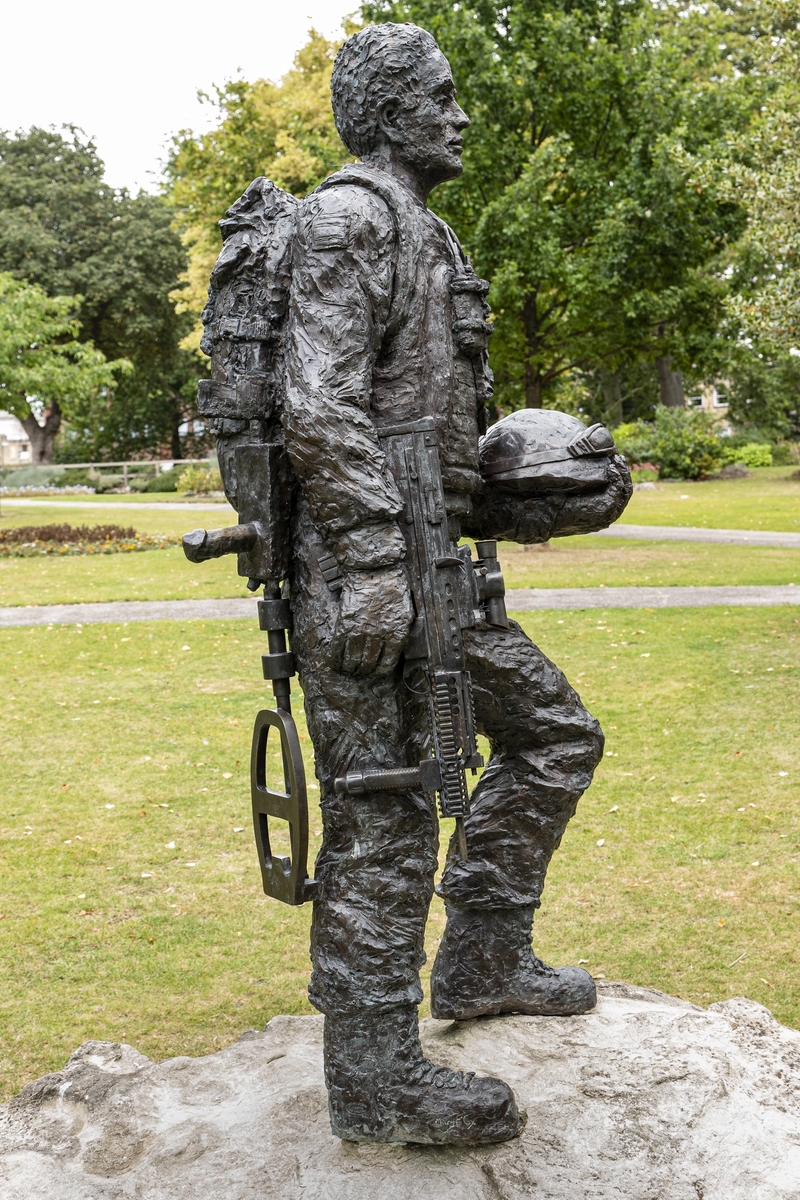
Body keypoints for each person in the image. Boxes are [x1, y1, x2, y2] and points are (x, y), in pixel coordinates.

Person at [278, 22, 632, 1146]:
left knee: (554, 733)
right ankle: (376, 1079)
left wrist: (515, 494)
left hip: (439, 564)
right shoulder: (347, 220)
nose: (459, 113)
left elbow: (415, 425)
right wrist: (377, 561)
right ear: (387, 114)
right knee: (379, 810)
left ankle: (479, 961)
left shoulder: (422, 227)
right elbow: (316, 409)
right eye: (439, 96)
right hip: (367, 576)